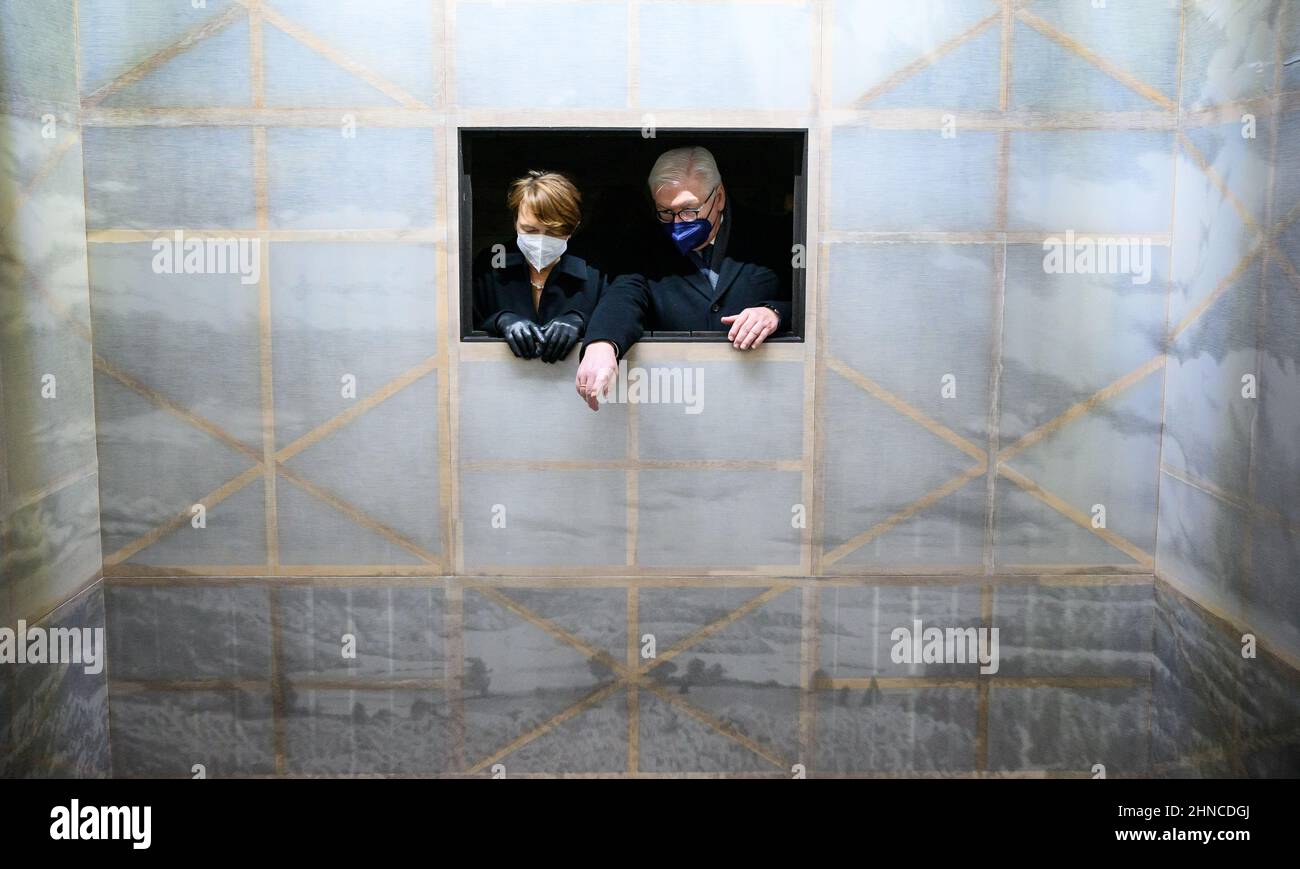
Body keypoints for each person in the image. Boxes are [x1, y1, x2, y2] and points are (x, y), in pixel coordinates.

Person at [574, 146, 791, 408]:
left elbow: (809, 301)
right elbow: (625, 294)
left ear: (719, 197)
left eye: (689, 210)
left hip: (763, 394)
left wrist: (774, 313)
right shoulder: (647, 245)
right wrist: (603, 342)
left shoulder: (772, 235)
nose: (677, 223)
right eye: (665, 212)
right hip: (682, 399)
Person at [472, 169, 606, 363]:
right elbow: (463, 325)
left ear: (573, 227)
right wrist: (500, 320)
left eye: (554, 232)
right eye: (530, 230)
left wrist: (581, 322)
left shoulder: (596, 272)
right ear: (514, 221)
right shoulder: (490, 266)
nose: (541, 239)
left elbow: (616, 319)